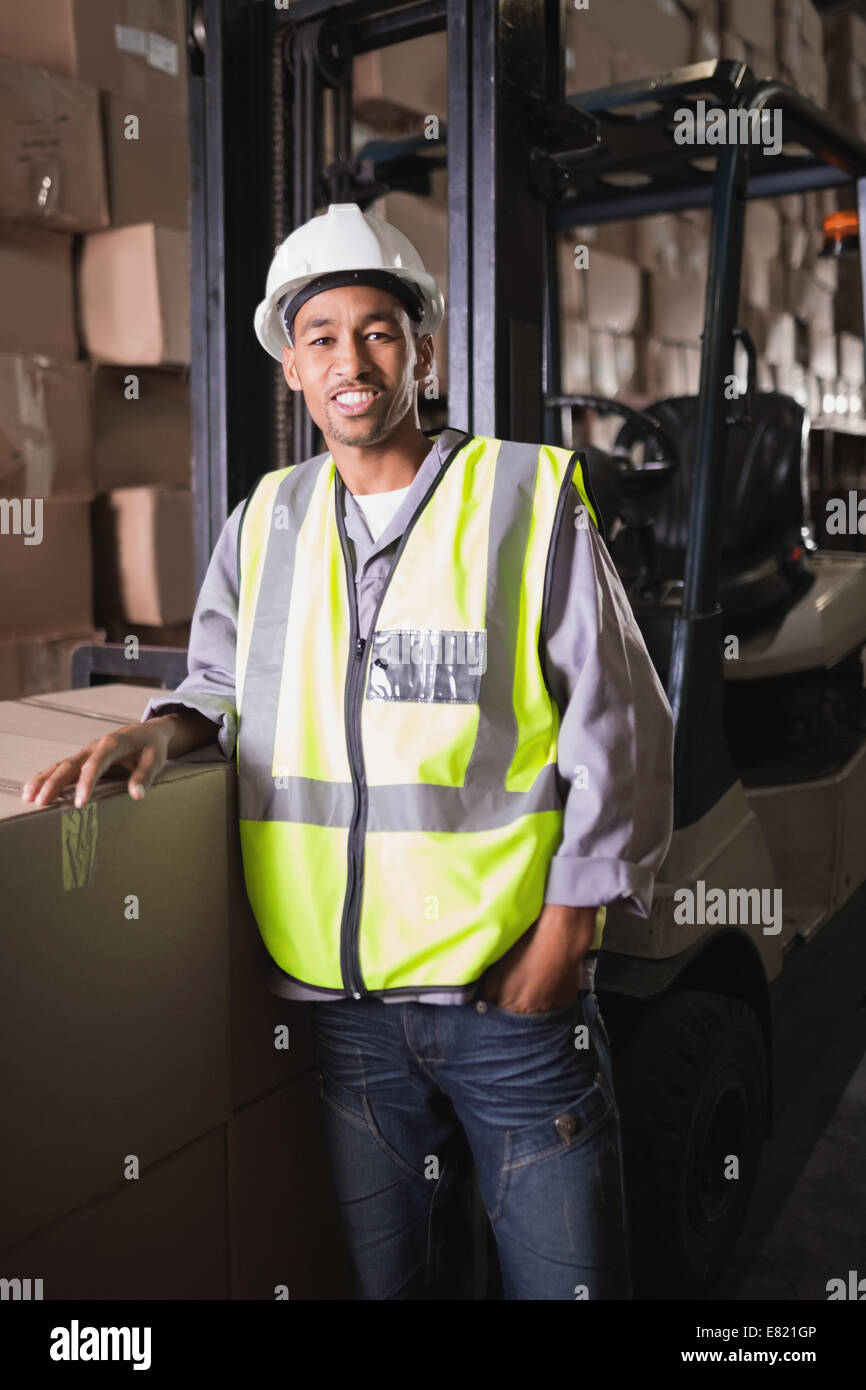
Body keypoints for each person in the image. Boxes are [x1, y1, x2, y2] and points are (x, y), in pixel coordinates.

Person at [21, 202, 674, 1301]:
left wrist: (566, 935)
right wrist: (166, 724)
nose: (349, 359)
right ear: (291, 368)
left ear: (422, 349)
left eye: (377, 330)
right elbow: (227, 681)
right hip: (344, 1017)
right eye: (319, 336)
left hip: (506, 1003)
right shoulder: (265, 518)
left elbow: (622, 729)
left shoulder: (520, 497)